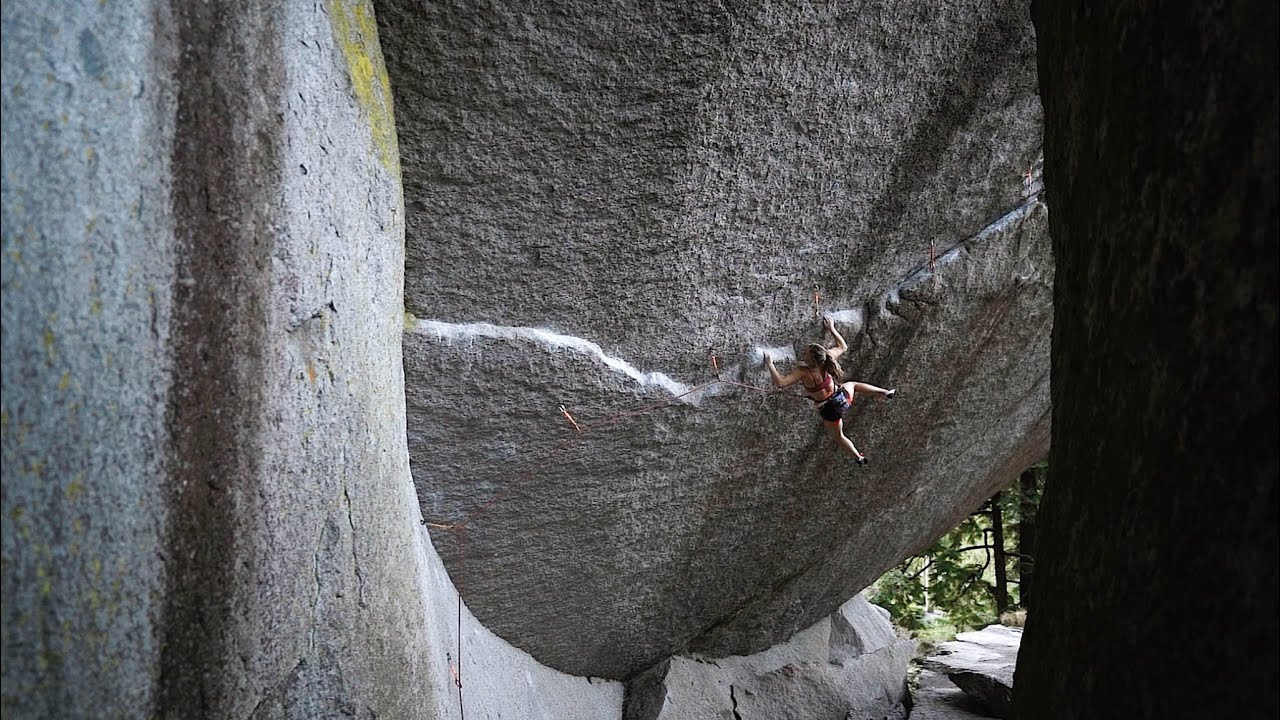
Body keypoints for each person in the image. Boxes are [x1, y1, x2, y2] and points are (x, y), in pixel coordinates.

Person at [763, 316, 895, 465]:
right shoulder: (827, 358)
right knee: (854, 385)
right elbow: (843, 346)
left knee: (839, 437)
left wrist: (770, 364)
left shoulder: (803, 372)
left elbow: (780, 383)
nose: (803, 354)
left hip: (829, 411)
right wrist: (832, 328)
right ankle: (884, 393)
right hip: (842, 399)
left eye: (806, 353)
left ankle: (858, 457)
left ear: (811, 359)